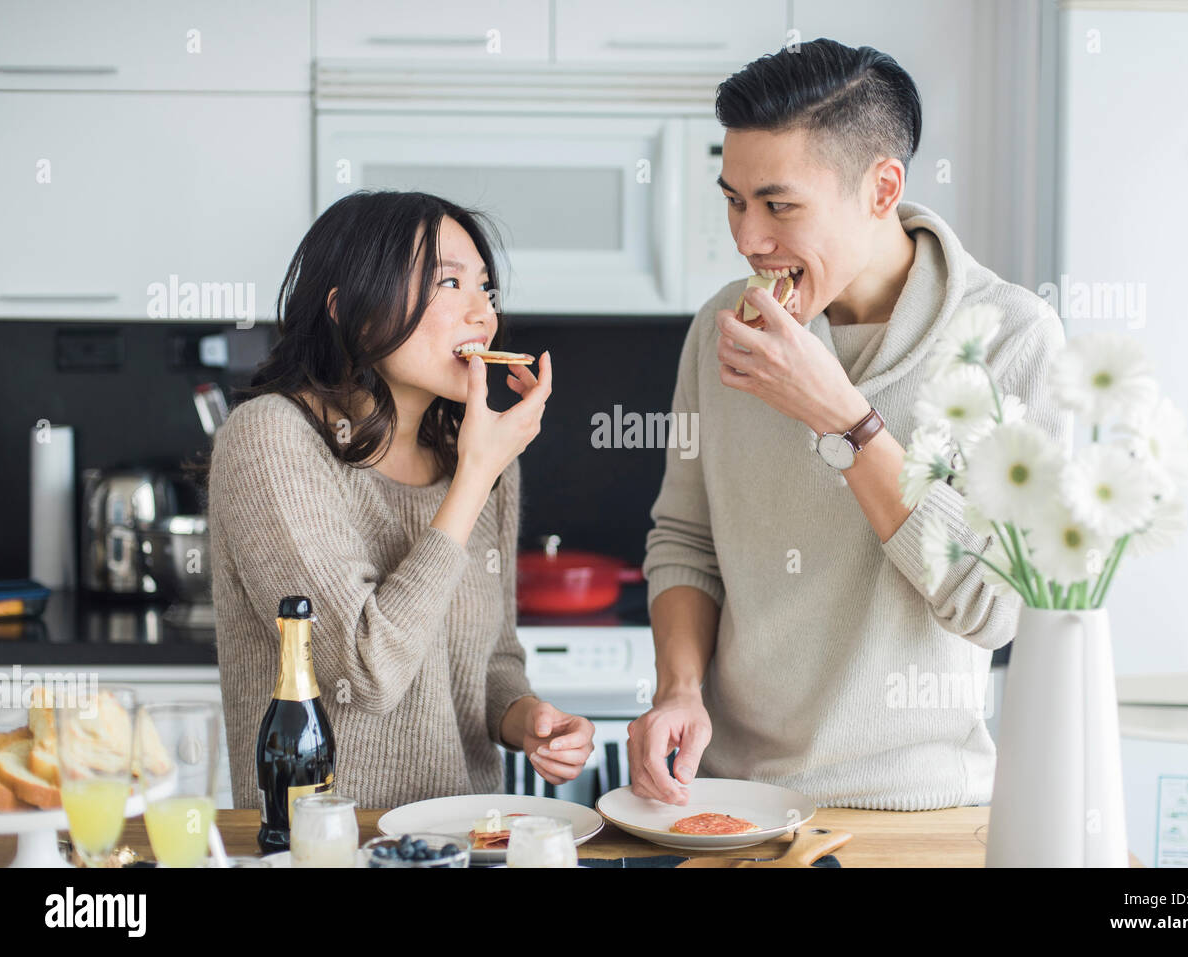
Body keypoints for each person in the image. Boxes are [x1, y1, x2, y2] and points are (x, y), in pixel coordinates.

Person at [631, 40, 1072, 810]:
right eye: (733, 199)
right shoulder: (720, 330)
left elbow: (992, 607)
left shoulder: (1011, 338)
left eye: (779, 204)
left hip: (921, 810)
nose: (747, 238)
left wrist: (846, 420)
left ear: (881, 188)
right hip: (731, 803)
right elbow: (686, 540)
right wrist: (680, 687)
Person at [206, 190, 594, 810]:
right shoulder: (271, 440)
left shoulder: (472, 451)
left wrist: (526, 719)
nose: (483, 315)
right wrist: (474, 477)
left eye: (486, 290)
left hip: (469, 839)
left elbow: (491, 660)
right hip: (328, 848)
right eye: (448, 282)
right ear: (350, 311)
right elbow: (364, 673)